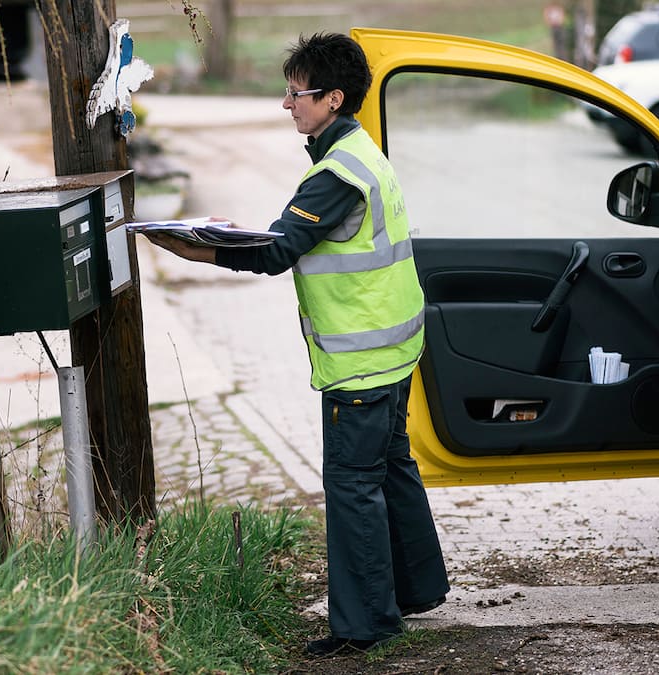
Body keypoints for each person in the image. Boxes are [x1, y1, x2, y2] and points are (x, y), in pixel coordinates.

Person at [139, 32, 449, 656]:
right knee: (392, 469)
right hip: (393, 352)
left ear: (333, 98)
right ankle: (415, 591)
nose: (287, 104)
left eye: (296, 93)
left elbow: (277, 251)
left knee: (352, 483)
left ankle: (364, 627)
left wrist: (187, 244)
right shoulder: (359, 150)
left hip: (360, 364)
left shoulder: (335, 173)